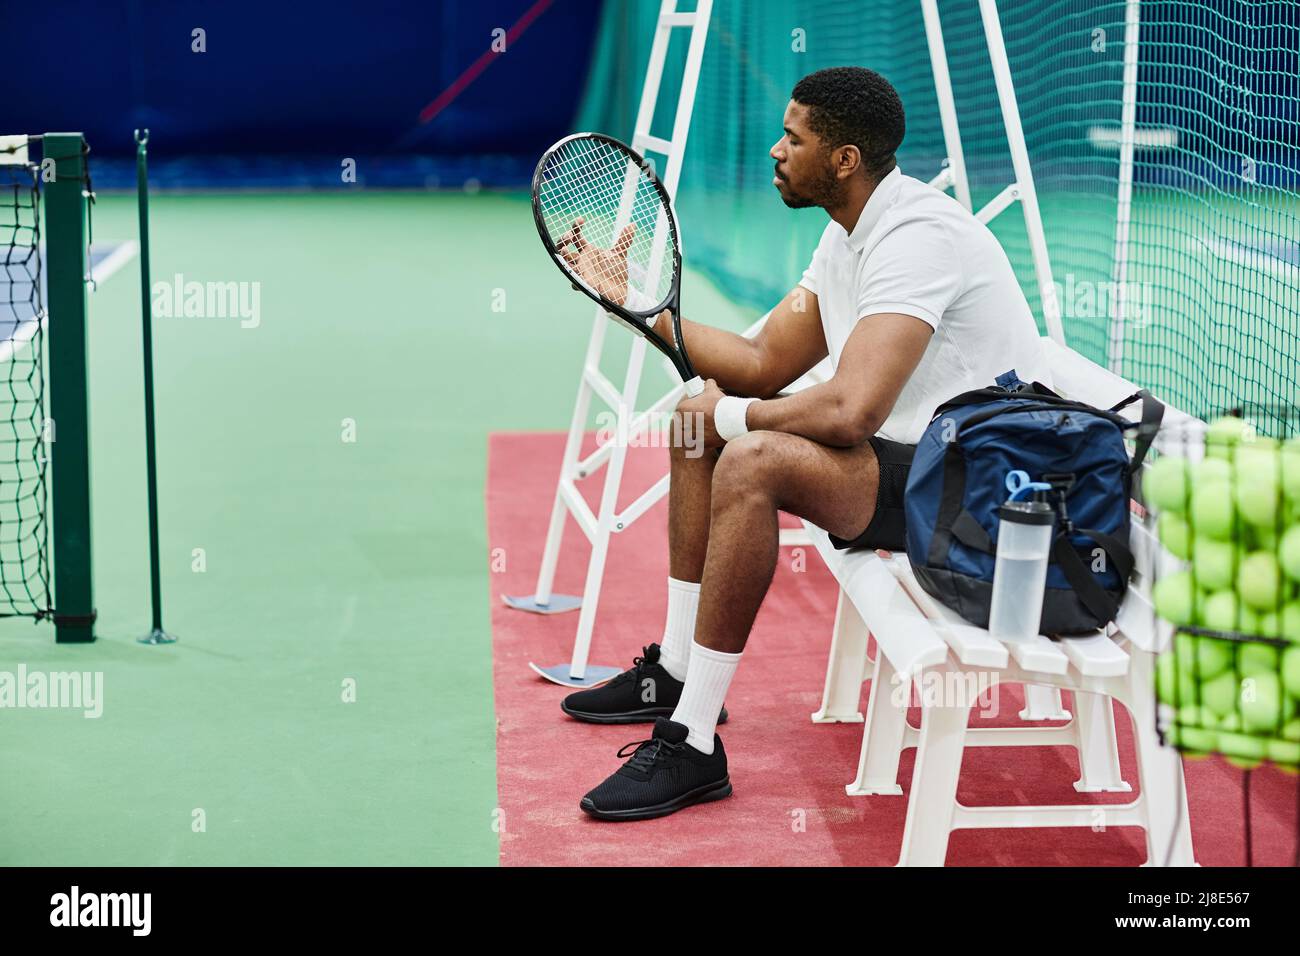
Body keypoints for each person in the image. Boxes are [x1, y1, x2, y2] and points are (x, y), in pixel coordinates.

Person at [560, 66, 1051, 821]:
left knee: (752, 458)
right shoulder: (848, 234)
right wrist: (635, 302)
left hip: (975, 490)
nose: (775, 151)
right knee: (695, 418)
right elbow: (763, 365)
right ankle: (678, 670)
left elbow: (853, 411)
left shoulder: (917, 238)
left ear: (845, 159)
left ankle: (691, 744)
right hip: (916, 463)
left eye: (794, 138)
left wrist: (738, 420)